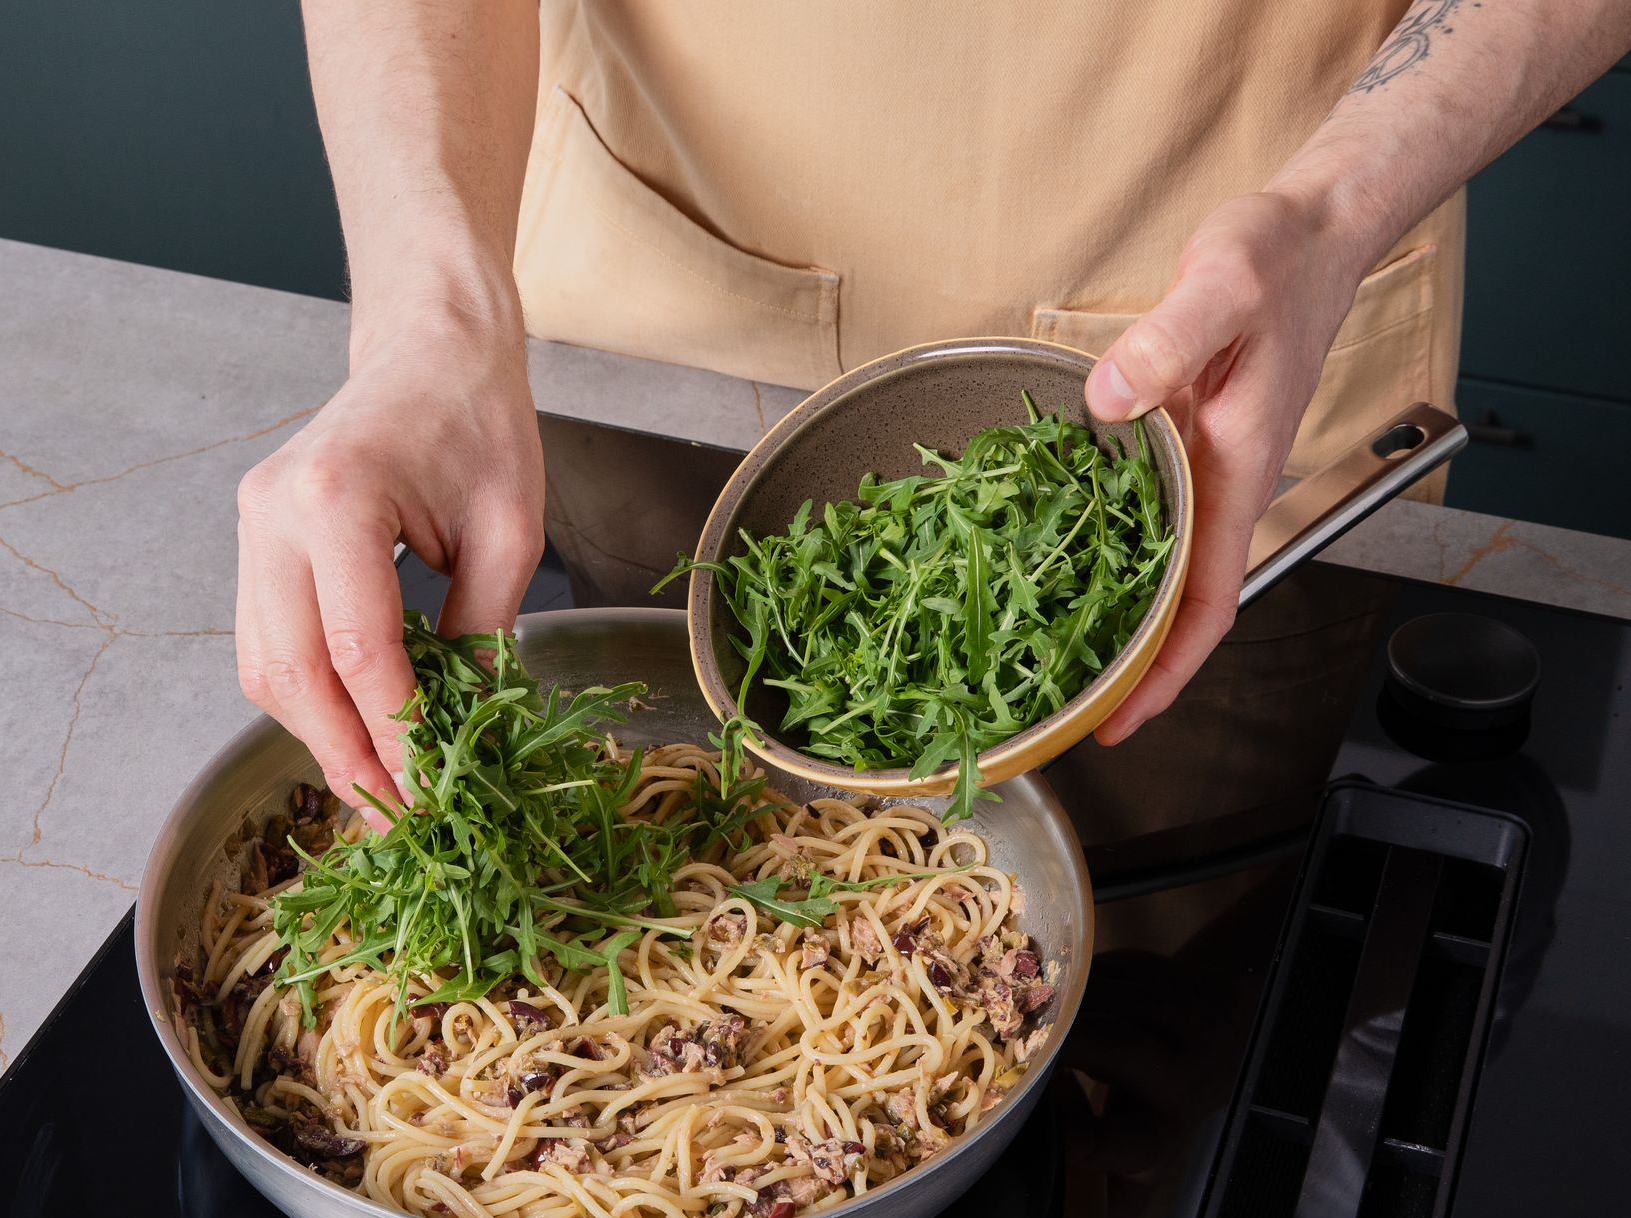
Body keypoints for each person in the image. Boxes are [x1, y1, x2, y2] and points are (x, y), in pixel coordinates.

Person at [234, 0, 1631, 824]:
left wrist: (1337, 210)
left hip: (1236, 364)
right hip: (673, 341)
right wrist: (427, 320)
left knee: (1183, 991)